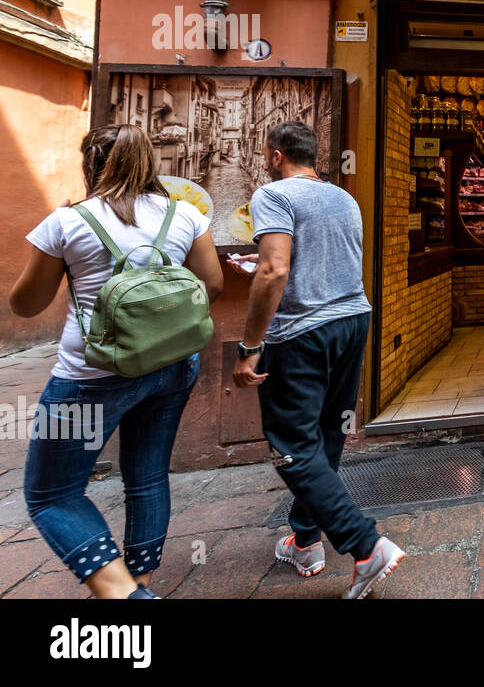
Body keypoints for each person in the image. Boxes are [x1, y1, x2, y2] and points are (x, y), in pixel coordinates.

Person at [8, 125, 223, 598]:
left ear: (90, 163)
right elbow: (212, 286)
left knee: (51, 495)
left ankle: (125, 595)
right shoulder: (185, 214)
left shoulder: (67, 222)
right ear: (153, 161)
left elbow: (26, 305)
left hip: (89, 377)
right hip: (171, 366)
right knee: (146, 476)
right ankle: (139, 581)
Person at [229, 121, 403, 598]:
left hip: (303, 330)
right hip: (353, 319)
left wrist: (250, 346)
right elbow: (316, 258)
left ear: (276, 156)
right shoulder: (344, 197)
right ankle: (305, 539)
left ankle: (366, 544)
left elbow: (275, 268)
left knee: (290, 443)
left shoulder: (274, 195)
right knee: (328, 432)